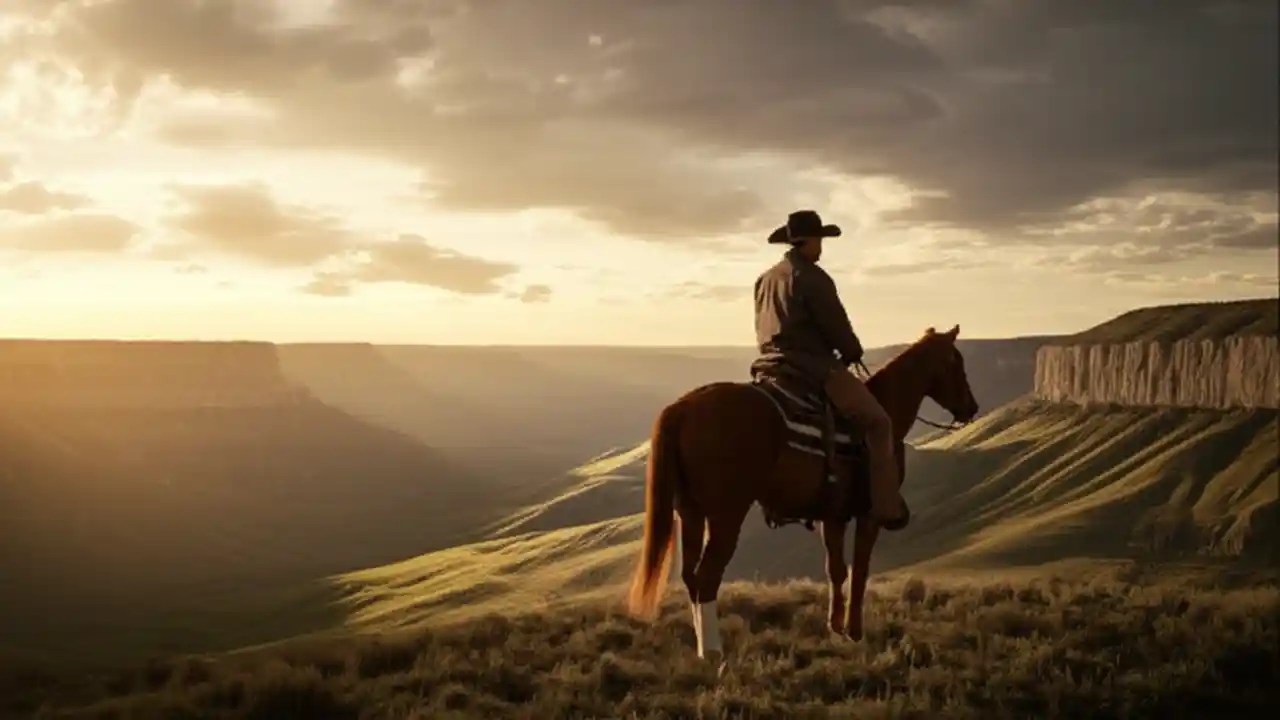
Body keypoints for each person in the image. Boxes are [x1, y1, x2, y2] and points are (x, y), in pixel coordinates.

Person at [750, 209, 908, 529]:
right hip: (811, 367)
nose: (821, 247)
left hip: (769, 368)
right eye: (819, 240)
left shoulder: (765, 279)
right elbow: (836, 326)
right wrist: (852, 351)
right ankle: (885, 506)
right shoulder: (812, 277)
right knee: (879, 423)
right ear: (807, 241)